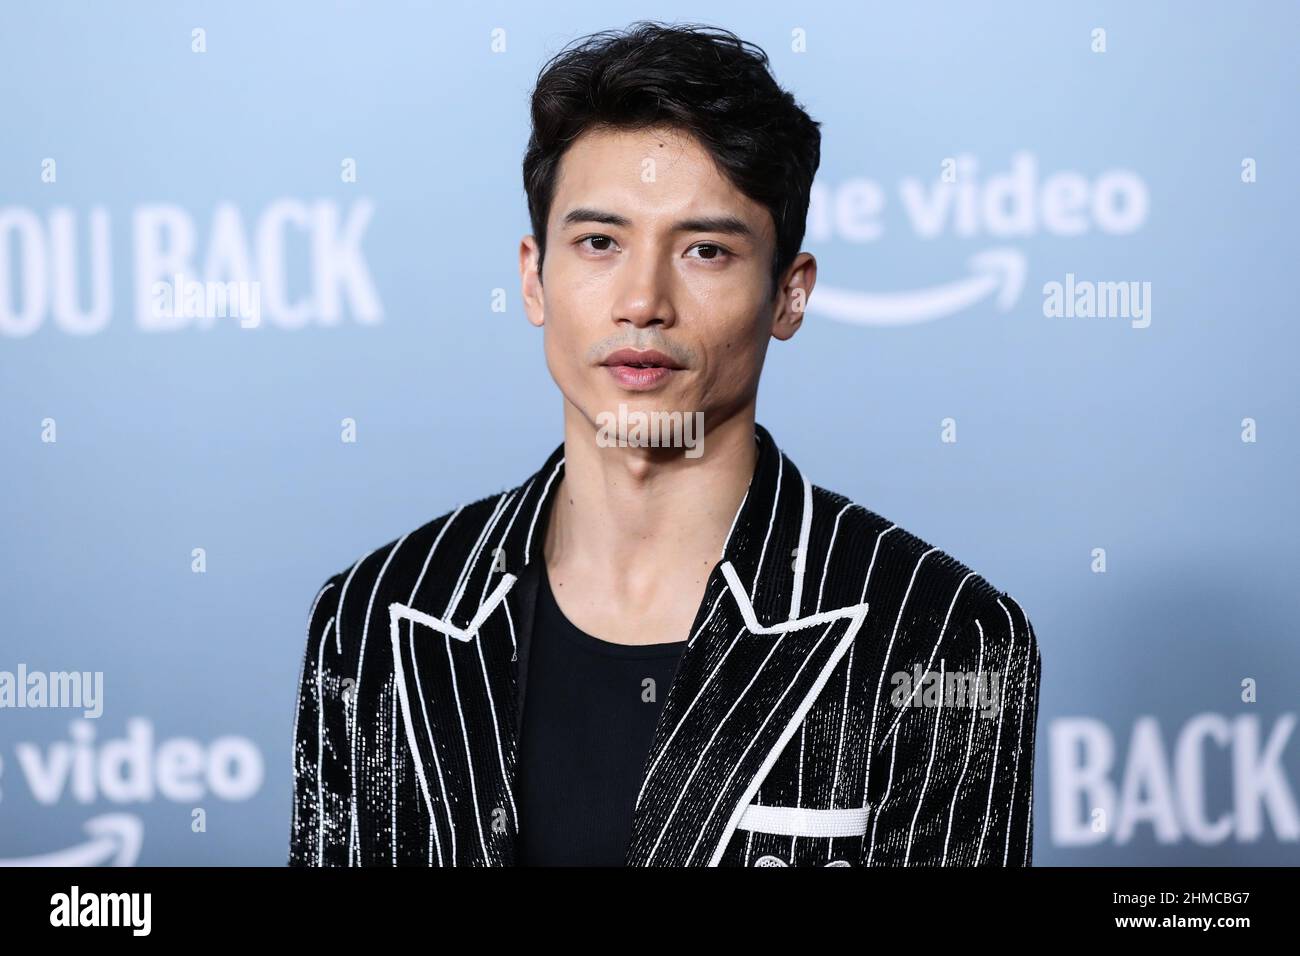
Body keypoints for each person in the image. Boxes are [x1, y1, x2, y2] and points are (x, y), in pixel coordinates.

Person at [289, 20, 1041, 867]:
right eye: (600, 243)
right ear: (535, 278)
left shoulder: (941, 637)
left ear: (789, 296)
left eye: (706, 250)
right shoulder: (375, 618)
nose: (643, 301)